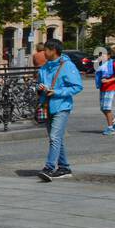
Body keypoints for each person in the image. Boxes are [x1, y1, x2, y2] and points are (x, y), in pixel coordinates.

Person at [37, 39, 84, 181]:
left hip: (61, 106)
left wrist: (57, 92)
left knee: (54, 137)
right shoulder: (44, 68)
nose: (43, 52)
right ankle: (64, 167)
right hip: (47, 105)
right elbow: (40, 84)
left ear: (53, 50)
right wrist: (40, 89)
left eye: (46, 49)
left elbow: (77, 86)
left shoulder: (67, 66)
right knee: (57, 137)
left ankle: (49, 167)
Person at [97, 51, 115, 134]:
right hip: (103, 88)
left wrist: (108, 80)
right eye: (100, 55)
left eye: (104, 55)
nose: (102, 57)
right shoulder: (101, 65)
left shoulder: (114, 63)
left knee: (107, 108)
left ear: (109, 55)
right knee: (102, 108)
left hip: (111, 87)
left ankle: (110, 129)